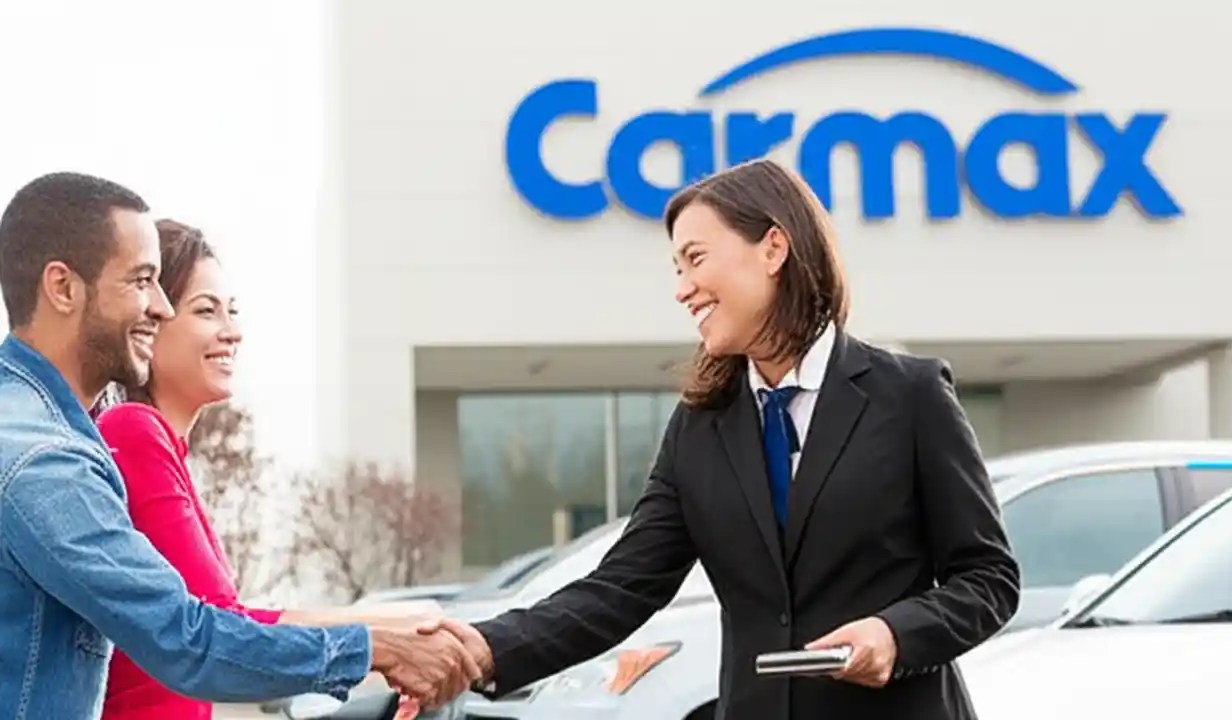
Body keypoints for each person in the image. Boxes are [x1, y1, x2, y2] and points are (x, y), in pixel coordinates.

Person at [423, 159, 1021, 720]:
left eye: (695, 258)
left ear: (773, 248)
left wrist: (895, 634)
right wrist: (482, 648)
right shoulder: (700, 425)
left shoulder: (909, 395)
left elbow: (988, 577)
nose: (682, 288)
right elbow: (622, 588)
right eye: (676, 269)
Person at [0, 172, 479, 719]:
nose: (159, 307)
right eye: (140, 281)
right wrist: (380, 648)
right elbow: (188, 639)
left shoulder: (44, 432)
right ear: (62, 288)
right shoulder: (46, 463)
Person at [89, 218, 443, 719]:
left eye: (231, 312)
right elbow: (219, 628)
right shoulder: (133, 432)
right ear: (152, 320)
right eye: (206, 311)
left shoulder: (162, 448)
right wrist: (390, 637)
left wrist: (394, 634)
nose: (231, 332)